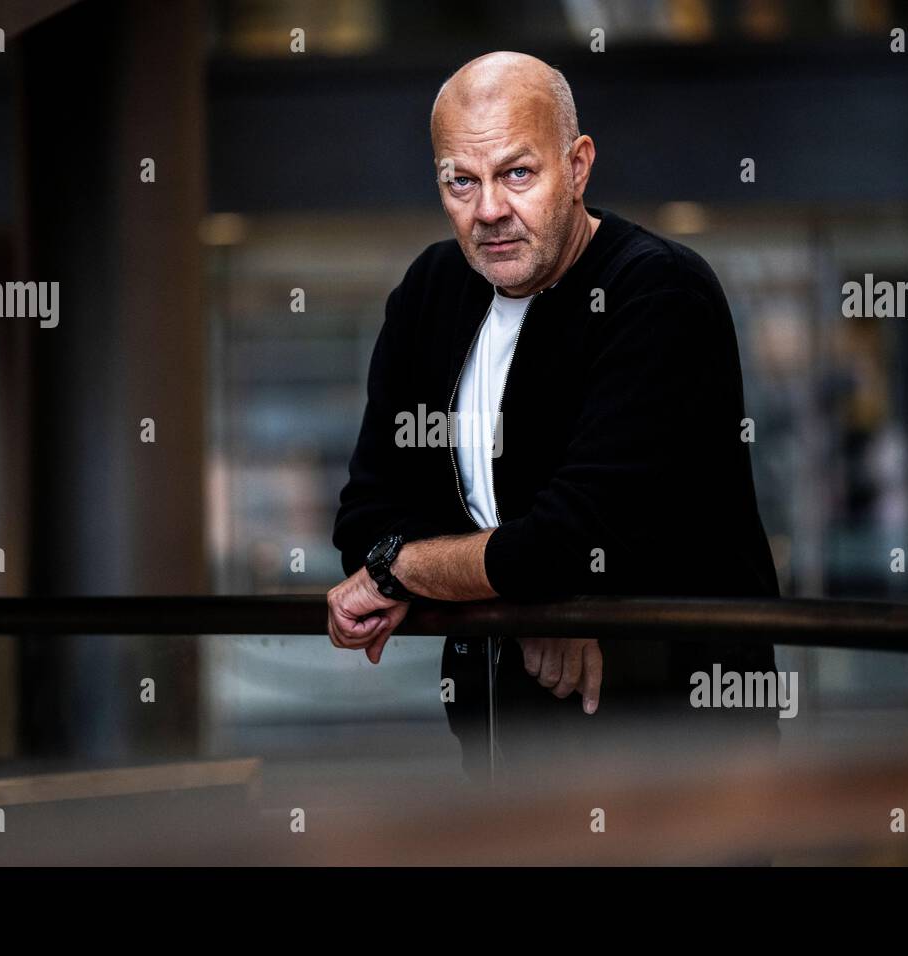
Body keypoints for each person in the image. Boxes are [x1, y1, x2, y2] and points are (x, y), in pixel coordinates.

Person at [328, 51, 780, 788]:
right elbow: (364, 516)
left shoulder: (658, 292)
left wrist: (398, 568)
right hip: (498, 739)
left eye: (517, 173)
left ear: (577, 166)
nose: (489, 211)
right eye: (461, 182)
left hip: (677, 747)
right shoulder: (432, 291)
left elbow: (574, 540)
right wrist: (527, 595)